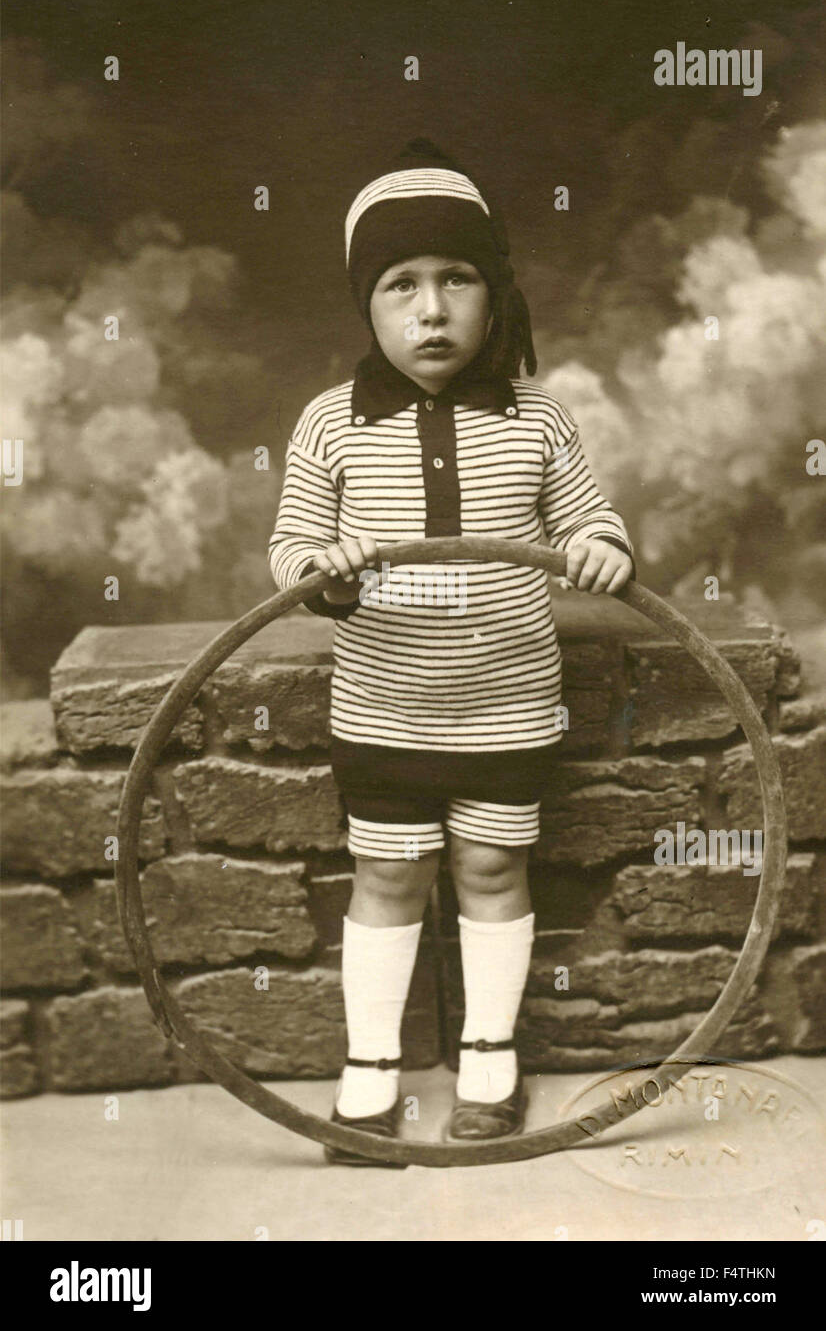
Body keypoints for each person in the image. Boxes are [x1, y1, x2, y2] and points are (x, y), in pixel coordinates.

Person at [267, 137, 635, 1166]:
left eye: (457, 280)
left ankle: (488, 1056)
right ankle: (372, 1067)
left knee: (488, 863)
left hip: (506, 703)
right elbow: (289, 548)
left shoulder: (536, 418)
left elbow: (589, 520)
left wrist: (601, 551)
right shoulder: (331, 424)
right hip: (383, 706)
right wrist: (323, 567)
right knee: (386, 878)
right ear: (366, 305)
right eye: (400, 285)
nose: (431, 310)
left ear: (494, 294)